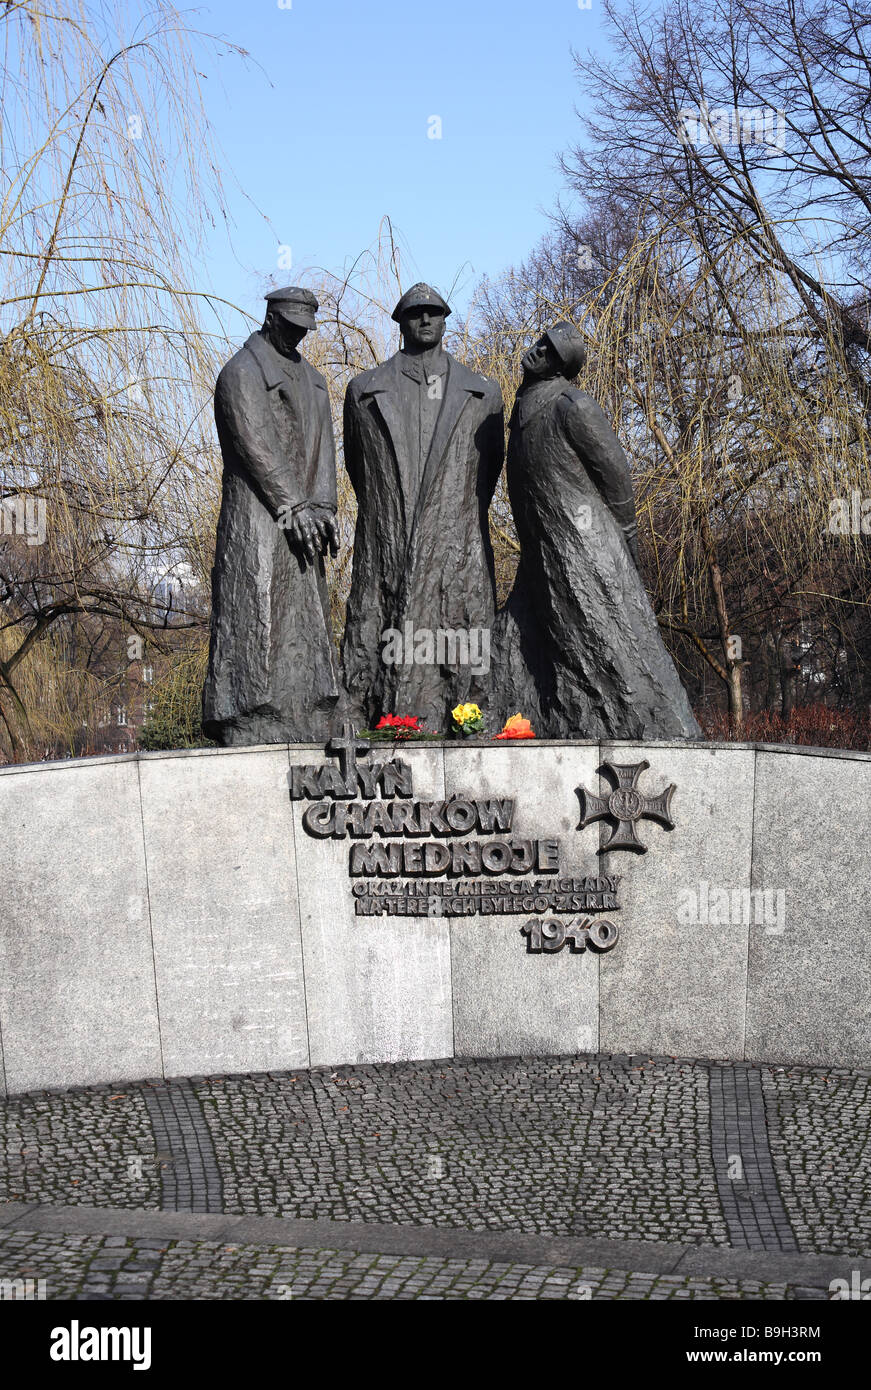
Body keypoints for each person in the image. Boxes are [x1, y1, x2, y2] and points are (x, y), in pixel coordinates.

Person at [494, 321, 701, 739]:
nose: (538, 352)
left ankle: (657, 726)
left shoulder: (574, 406)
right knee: (524, 640)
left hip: (584, 546)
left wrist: (626, 532)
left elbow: (616, 475)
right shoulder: (522, 407)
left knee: (607, 640)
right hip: (541, 548)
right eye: (540, 343)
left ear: (561, 366)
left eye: (550, 351)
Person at [341, 283, 503, 730]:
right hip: (388, 536)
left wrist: (450, 518)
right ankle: (377, 710)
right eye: (416, 314)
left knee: (461, 640)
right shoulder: (363, 391)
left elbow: (486, 473)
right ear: (401, 323)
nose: (426, 320)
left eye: (434, 312)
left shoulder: (484, 393)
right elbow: (360, 470)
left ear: (446, 319)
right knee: (381, 628)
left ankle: (466, 715)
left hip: (457, 541)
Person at [203, 287, 340, 745]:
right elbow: (254, 444)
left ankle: (310, 708)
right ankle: (250, 711)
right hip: (259, 517)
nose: (298, 338)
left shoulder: (314, 380)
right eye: (291, 328)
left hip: (302, 519)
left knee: (305, 614)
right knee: (257, 610)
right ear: (270, 318)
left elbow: (324, 450)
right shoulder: (241, 373)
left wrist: (323, 506)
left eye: (305, 331)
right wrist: (294, 505)